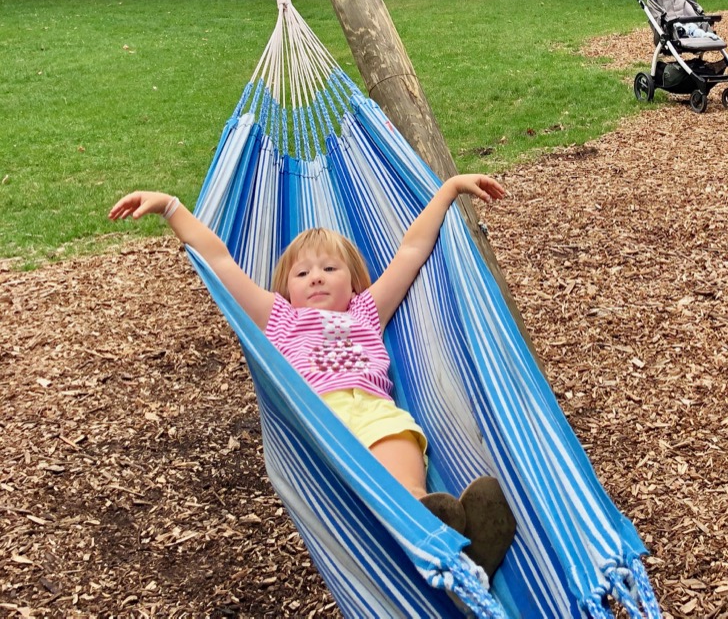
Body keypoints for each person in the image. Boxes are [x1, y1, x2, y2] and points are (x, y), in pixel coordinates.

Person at [108, 173, 517, 580]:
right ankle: (447, 552)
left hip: (379, 413)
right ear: (286, 290)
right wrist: (170, 206)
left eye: (328, 268)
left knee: (407, 485)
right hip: (324, 424)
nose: (316, 276)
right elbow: (219, 262)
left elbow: (411, 250)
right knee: (385, 493)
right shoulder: (279, 318)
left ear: (355, 282)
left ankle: (450, 546)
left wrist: (448, 190)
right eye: (302, 274)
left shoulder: (366, 310)